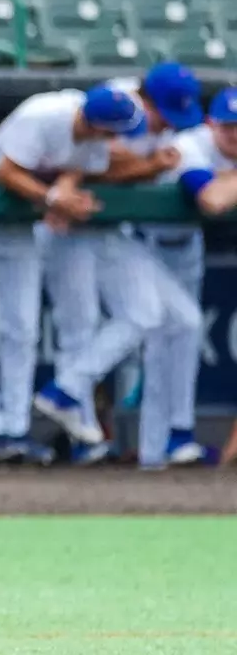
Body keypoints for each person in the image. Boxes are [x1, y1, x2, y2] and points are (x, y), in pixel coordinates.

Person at [34, 63, 207, 462]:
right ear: (145, 100)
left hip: (109, 230)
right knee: (76, 323)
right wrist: (149, 167)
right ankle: (78, 427)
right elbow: (98, 168)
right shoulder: (115, 105)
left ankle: (67, 393)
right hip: (66, 228)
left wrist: (144, 166)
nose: (168, 126)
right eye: (164, 114)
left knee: (178, 318)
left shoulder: (157, 123)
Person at [0, 85, 139, 466]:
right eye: (110, 132)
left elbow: (72, 171)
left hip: (21, 225)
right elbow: (4, 171)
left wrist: (65, 200)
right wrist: (53, 200)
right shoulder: (43, 114)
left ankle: (15, 427)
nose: (114, 139)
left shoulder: (92, 137)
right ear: (93, 123)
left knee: (23, 328)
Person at [127, 87, 237, 469]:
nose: (235, 135)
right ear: (212, 125)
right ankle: (158, 449)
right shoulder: (190, 145)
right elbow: (213, 199)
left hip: (187, 248)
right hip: (145, 246)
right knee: (165, 341)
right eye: (228, 127)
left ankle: (171, 442)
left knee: (180, 345)